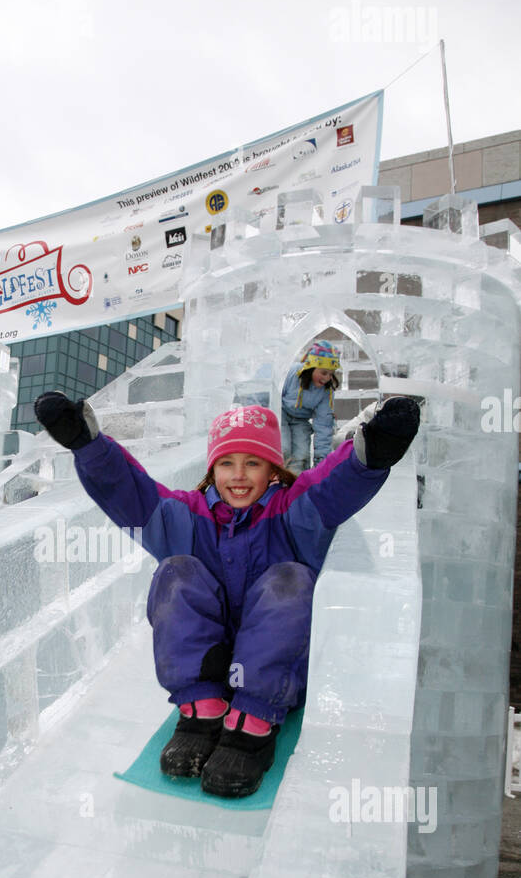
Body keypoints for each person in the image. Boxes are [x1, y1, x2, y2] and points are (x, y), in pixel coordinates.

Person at [33, 392, 421, 798]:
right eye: (226, 463)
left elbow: (332, 486)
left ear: (273, 469)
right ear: (212, 468)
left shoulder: (293, 512)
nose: (238, 475)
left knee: (290, 579)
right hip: (210, 671)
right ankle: (202, 711)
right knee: (175, 572)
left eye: (252, 463)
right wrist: (88, 446)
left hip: (278, 670)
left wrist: (371, 453)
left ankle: (252, 726)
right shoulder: (187, 516)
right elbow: (133, 494)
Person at [281, 340, 342, 475]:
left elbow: (323, 425)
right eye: (324, 372)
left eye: (331, 374)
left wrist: (322, 461)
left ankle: (295, 486)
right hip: (281, 415)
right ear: (311, 367)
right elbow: (274, 395)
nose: (327, 378)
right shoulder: (292, 374)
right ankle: (274, 482)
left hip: (300, 421)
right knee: (283, 448)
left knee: (301, 455)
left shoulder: (326, 392)